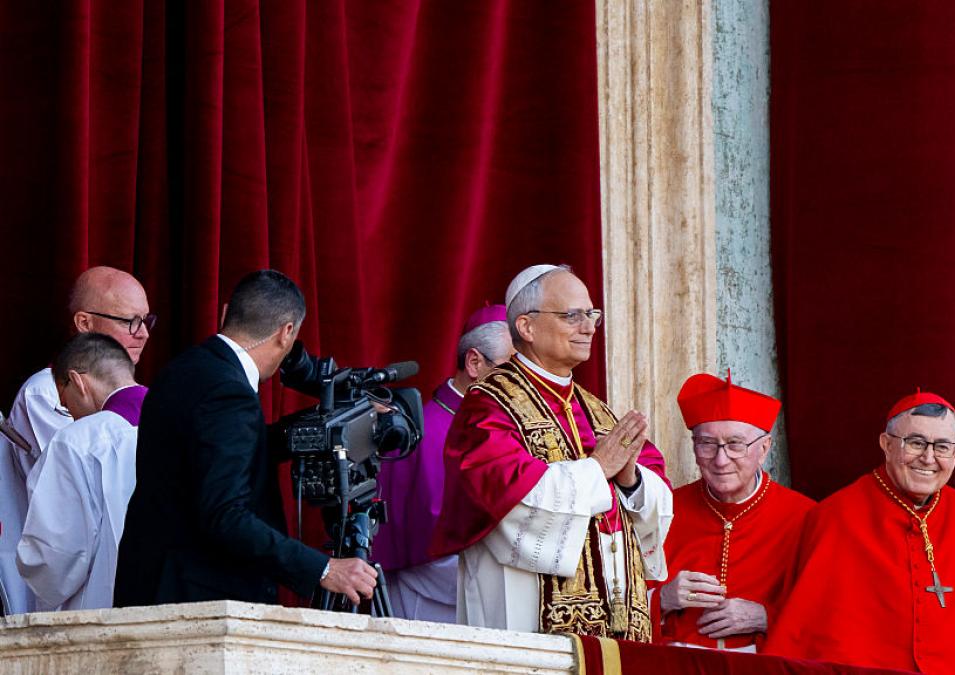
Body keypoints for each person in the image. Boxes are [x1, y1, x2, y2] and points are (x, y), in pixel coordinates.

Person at [430, 264, 673, 640]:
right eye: (572, 315)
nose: (589, 327)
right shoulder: (490, 403)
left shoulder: (597, 411)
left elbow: (654, 491)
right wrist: (596, 470)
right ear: (526, 327)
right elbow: (503, 493)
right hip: (525, 609)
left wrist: (631, 479)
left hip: (615, 620)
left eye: (592, 315)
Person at [113, 270, 376, 607]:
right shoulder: (229, 391)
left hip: (151, 587)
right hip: (198, 602)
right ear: (286, 333)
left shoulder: (182, 370)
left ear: (226, 313)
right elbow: (225, 514)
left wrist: (317, 427)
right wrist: (323, 568)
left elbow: (217, 451)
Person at [764, 390, 955, 674]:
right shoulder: (834, 518)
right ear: (886, 443)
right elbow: (802, 637)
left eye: (942, 446)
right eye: (915, 442)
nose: (929, 458)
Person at [1, 265, 152, 615]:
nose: (142, 333)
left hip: (97, 592)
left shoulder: (87, 432)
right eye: (129, 320)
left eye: (146, 320)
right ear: (84, 323)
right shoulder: (47, 391)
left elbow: (61, 547)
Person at [654, 372, 815, 652]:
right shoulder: (663, 509)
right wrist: (662, 598)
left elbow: (831, 614)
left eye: (735, 445)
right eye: (707, 444)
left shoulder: (807, 517)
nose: (720, 459)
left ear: (764, 449)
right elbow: (615, 607)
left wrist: (766, 618)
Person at [373, 303, 513, 623]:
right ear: (475, 362)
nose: (520, 388)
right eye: (511, 372)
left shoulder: (512, 428)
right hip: (431, 607)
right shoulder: (420, 434)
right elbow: (424, 549)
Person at [17, 333, 147, 610]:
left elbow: (57, 555)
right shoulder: (187, 421)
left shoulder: (79, 441)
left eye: (66, 404)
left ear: (78, 382)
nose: (71, 414)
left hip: (102, 612)